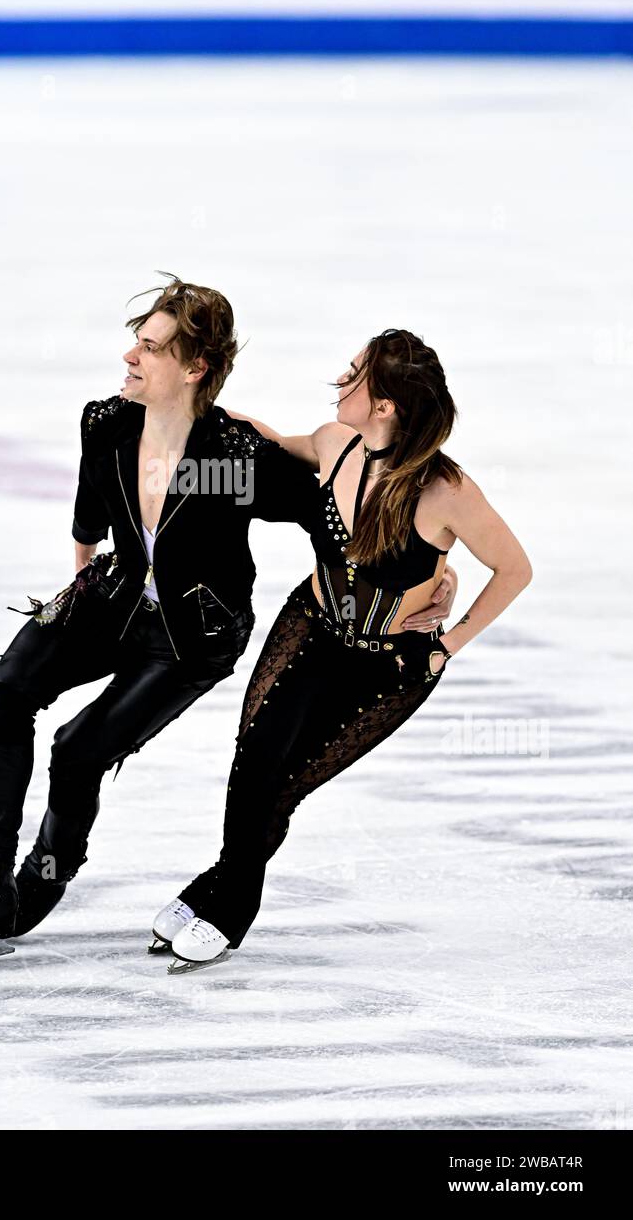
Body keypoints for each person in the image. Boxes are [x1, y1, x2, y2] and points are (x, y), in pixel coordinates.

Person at [0, 286, 458, 965]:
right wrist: (77, 596)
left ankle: (36, 885)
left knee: (77, 752)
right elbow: (87, 522)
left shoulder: (231, 458)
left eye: (149, 347)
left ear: (195, 366)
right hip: (111, 597)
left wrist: (427, 575)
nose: (129, 355)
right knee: (9, 684)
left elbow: (340, 530)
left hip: (191, 637)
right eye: (136, 341)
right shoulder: (107, 423)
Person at [154, 328, 532, 973]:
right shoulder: (334, 444)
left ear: (384, 404)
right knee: (255, 766)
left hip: (388, 664)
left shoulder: (446, 491)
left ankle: (215, 892)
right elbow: (272, 440)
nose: (339, 380)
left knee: (287, 784)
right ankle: (229, 907)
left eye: (353, 375)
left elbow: (515, 569)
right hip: (310, 629)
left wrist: (448, 642)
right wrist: (193, 407)